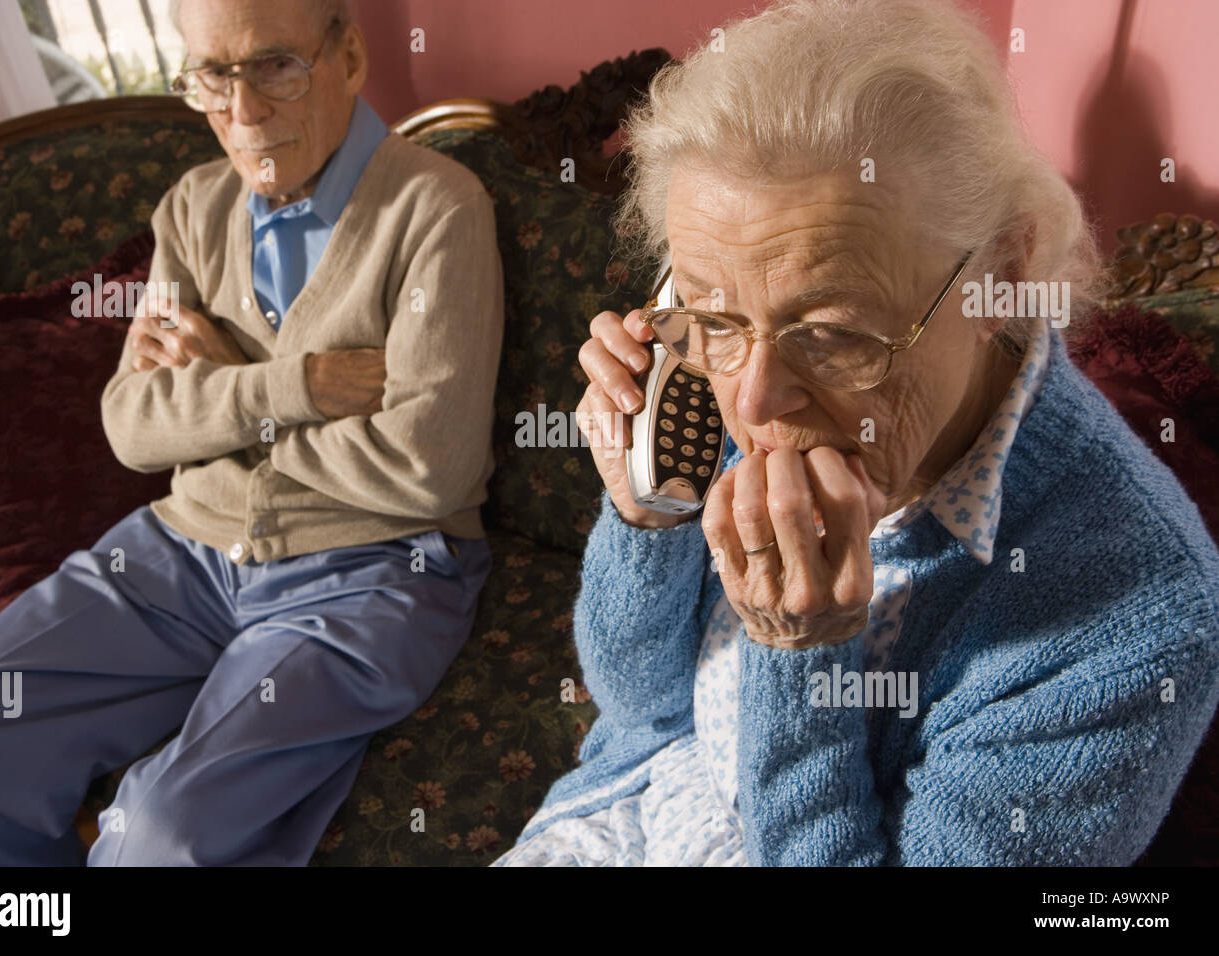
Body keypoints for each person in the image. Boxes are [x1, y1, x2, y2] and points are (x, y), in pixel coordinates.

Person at [495, 0, 1219, 866]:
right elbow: (639, 709)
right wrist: (647, 513)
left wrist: (802, 656)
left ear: (1004, 273)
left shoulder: (1140, 620)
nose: (755, 405)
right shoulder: (713, 376)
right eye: (714, 316)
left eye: (831, 334)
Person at [0, 0, 503, 865]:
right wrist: (290, 384)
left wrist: (217, 398)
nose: (242, 109)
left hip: (374, 569)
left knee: (161, 834)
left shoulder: (437, 209)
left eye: (274, 66)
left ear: (347, 55)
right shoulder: (191, 209)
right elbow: (132, 424)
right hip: (178, 556)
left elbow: (430, 471)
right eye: (211, 76)